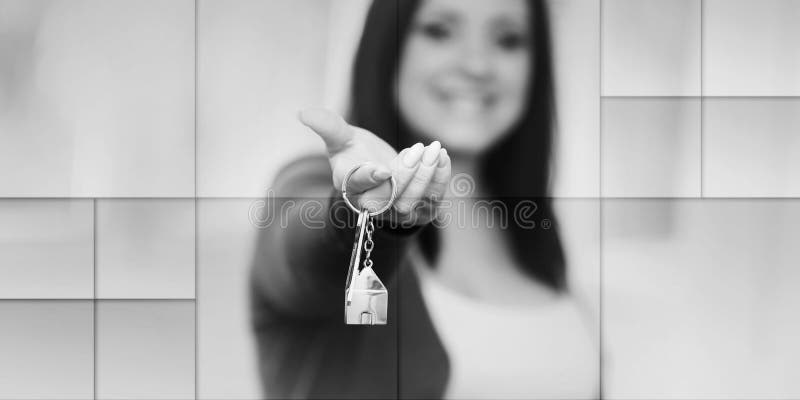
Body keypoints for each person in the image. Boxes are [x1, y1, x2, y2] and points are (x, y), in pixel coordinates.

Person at [250, 0, 598, 398]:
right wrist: (370, 212)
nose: (478, 65)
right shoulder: (310, 182)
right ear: (389, 45)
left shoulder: (532, 231)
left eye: (508, 40)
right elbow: (303, 256)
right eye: (439, 31)